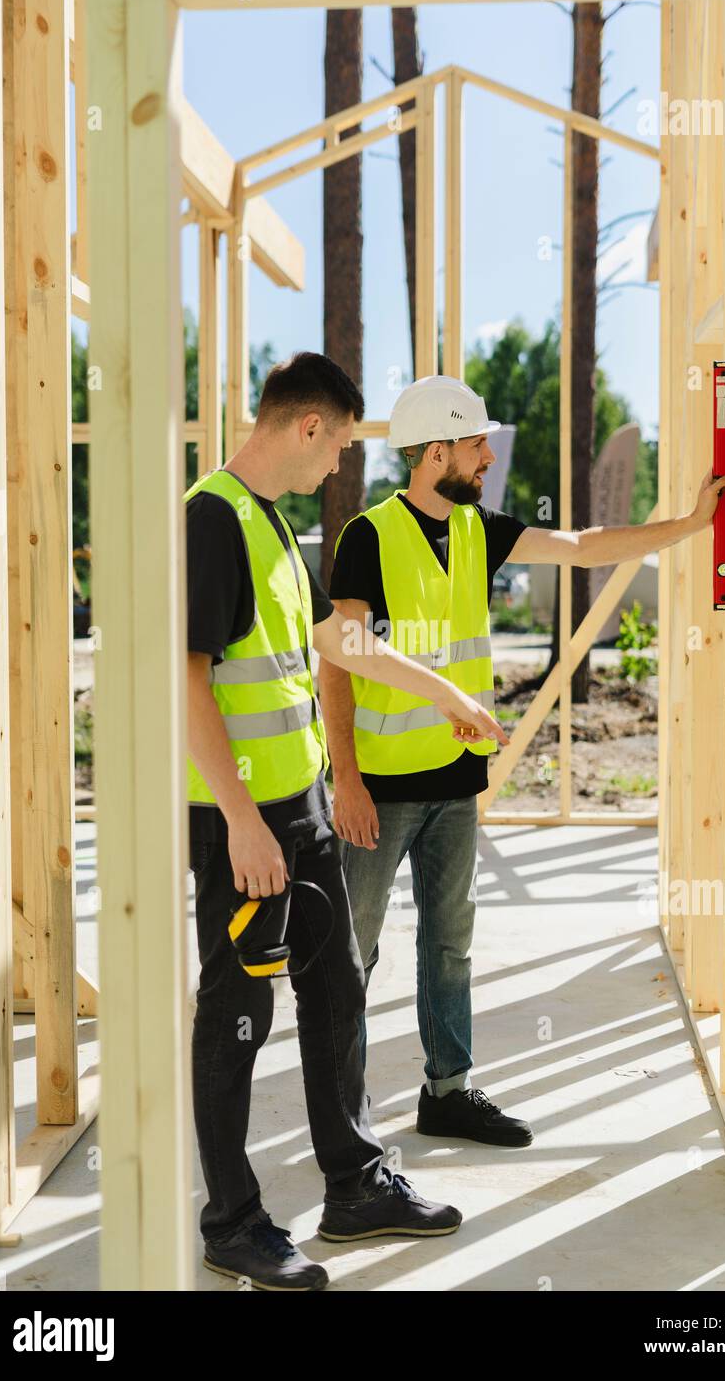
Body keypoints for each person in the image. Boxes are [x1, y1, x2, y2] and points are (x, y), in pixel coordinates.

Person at [319, 373, 725, 1149]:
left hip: (454, 785)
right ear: (434, 451)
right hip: (377, 787)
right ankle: (343, 1118)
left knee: (450, 941)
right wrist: (344, 778)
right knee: (354, 953)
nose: (486, 458)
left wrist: (686, 526)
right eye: (476, 444)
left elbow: (580, 549)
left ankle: (448, 1092)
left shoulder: (481, 530)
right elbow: (340, 659)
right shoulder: (368, 537)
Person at [186, 354, 508, 1292]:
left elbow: (339, 643)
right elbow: (189, 678)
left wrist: (448, 692)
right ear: (310, 427)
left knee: (335, 996)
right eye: (337, 453)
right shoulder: (214, 516)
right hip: (242, 823)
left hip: (306, 811)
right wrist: (243, 819)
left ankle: (356, 1186)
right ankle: (233, 1223)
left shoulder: (273, 527)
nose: (338, 475)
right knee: (237, 1014)